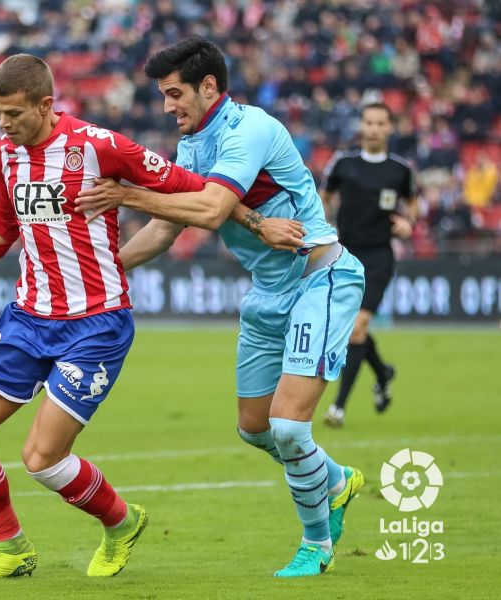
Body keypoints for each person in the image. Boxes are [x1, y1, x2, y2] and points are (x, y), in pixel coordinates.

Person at [0, 53, 304, 581]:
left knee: (42, 460)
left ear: (46, 105)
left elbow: (195, 190)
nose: (3, 123)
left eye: (13, 113)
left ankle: (121, 522)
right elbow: (3, 224)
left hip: (95, 324)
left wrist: (260, 224)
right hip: (27, 317)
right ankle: (11, 548)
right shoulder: (7, 153)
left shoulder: (101, 146)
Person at [75, 37, 365, 578]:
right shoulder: (191, 146)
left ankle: (316, 545)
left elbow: (210, 210)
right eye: (163, 96)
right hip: (266, 293)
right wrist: (103, 268)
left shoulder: (248, 130)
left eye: (175, 93)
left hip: (319, 278)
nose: (168, 107)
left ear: (210, 86)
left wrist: (127, 194)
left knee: (288, 428)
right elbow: (167, 227)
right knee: (254, 428)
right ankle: (336, 481)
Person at [321, 103, 417, 427]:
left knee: (356, 328)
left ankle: (338, 408)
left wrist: (408, 223)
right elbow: (324, 195)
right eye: (369, 122)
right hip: (345, 255)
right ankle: (383, 372)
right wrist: (324, 225)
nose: (374, 128)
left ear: (390, 127)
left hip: (378, 257)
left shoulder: (400, 169)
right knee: (355, 330)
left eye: (380, 123)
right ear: (361, 126)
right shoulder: (343, 163)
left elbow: (412, 205)